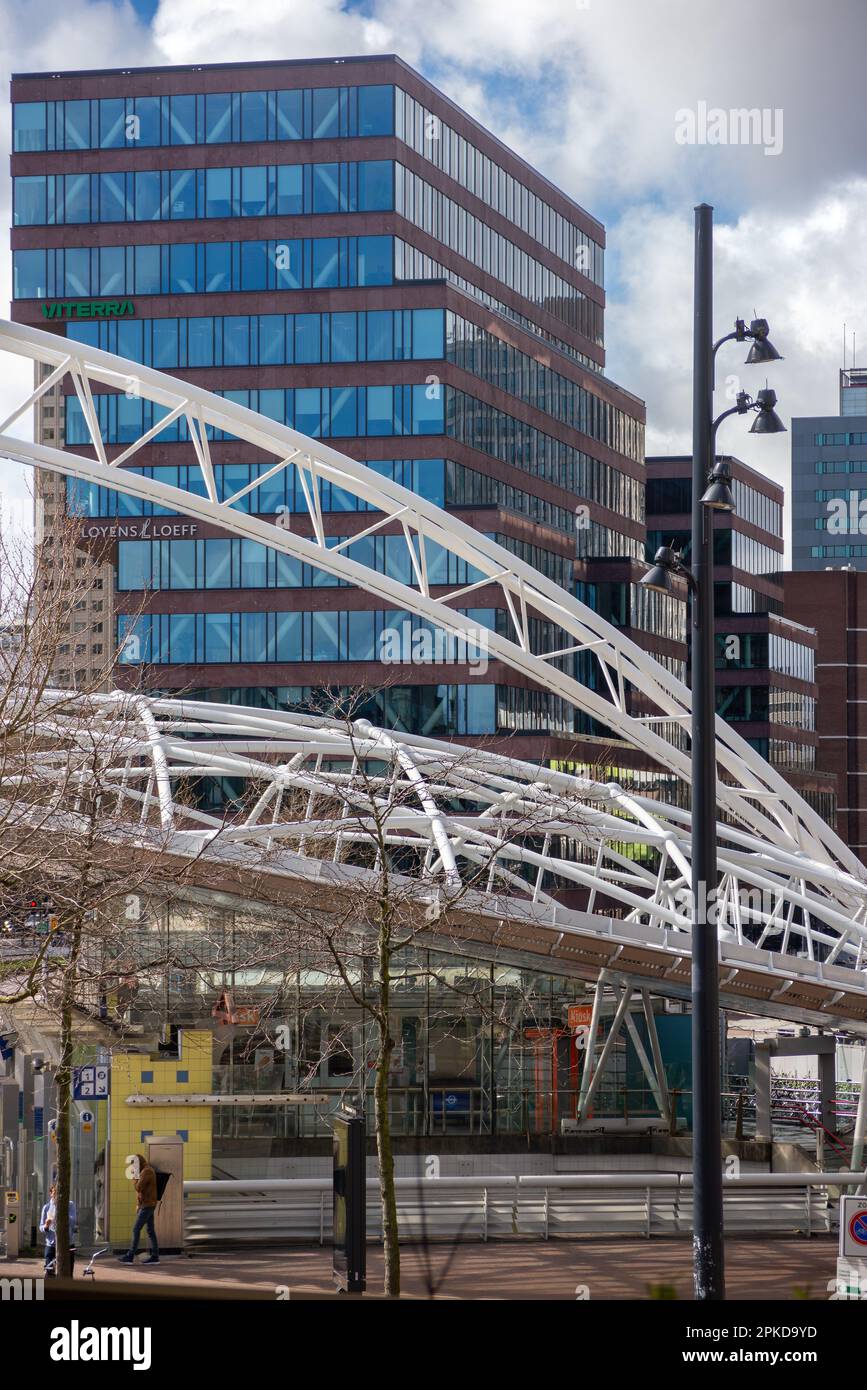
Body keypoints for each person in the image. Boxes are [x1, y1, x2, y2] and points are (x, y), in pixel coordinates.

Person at [118, 1153, 159, 1264]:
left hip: (147, 1205)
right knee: (150, 1230)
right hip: (147, 1204)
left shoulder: (146, 1172)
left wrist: (134, 1176)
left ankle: (130, 1256)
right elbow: (141, 1193)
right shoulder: (145, 1170)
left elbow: (138, 1188)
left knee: (136, 1229)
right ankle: (155, 1256)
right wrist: (138, 1204)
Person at [40, 1184, 77, 1277]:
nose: (57, 1195)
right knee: (49, 1271)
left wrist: (61, 1210)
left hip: (67, 1244)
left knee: (67, 1273)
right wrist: (46, 1226)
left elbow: (73, 1222)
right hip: (51, 1244)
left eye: (59, 1193)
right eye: (55, 1193)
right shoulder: (46, 1207)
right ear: (51, 1194)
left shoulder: (70, 1205)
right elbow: (41, 1227)